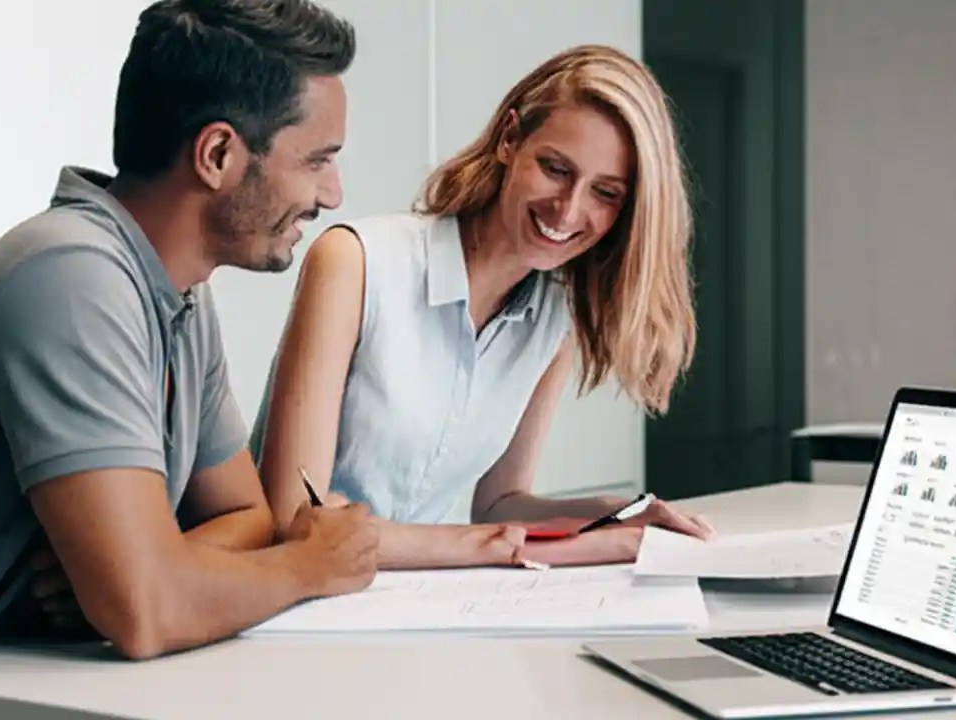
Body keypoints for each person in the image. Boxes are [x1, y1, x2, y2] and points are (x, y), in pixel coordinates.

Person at [0, 0, 378, 659]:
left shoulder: (179, 292)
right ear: (217, 154)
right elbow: (147, 614)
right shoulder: (71, 280)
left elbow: (245, 517)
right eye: (316, 161)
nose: (332, 195)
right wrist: (310, 564)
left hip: (19, 676)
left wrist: (150, 569)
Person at [251, 45, 713, 570]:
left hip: (406, 592)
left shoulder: (555, 316)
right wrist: (499, 546)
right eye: (556, 168)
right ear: (509, 138)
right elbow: (296, 519)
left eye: (605, 193)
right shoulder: (356, 262)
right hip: (297, 592)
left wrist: (616, 514)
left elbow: (499, 504)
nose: (568, 211)